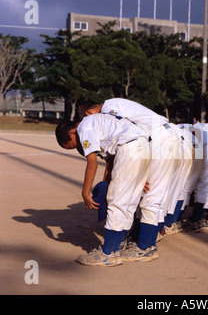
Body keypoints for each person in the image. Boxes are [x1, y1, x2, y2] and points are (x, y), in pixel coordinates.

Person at [77, 98, 184, 250]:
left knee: (150, 197)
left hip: (158, 139)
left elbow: (125, 131)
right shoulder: (114, 103)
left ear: (88, 113)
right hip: (165, 137)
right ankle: (147, 241)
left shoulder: (108, 108)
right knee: (154, 195)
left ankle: (143, 247)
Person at [55, 114, 152, 266]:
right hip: (142, 147)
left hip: (129, 150)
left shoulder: (84, 127)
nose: (78, 148)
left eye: (74, 145)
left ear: (72, 133)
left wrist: (85, 193)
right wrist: (134, 174)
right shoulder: (99, 123)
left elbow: (92, 163)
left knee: (117, 202)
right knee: (128, 203)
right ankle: (115, 249)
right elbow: (111, 161)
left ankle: (108, 253)